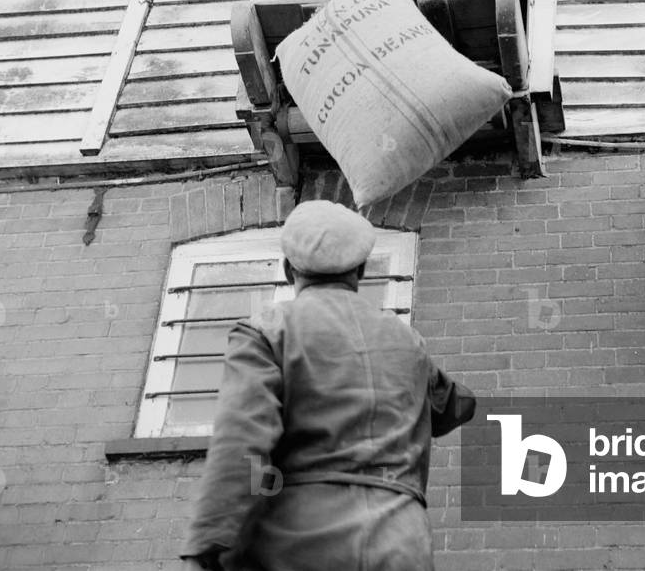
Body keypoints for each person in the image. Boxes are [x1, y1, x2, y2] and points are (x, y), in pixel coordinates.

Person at [180, 200, 476, 571]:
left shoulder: (266, 332)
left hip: (305, 540)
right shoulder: (405, 341)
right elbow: (457, 404)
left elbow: (242, 443)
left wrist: (208, 544)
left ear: (290, 269)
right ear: (361, 270)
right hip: (403, 544)